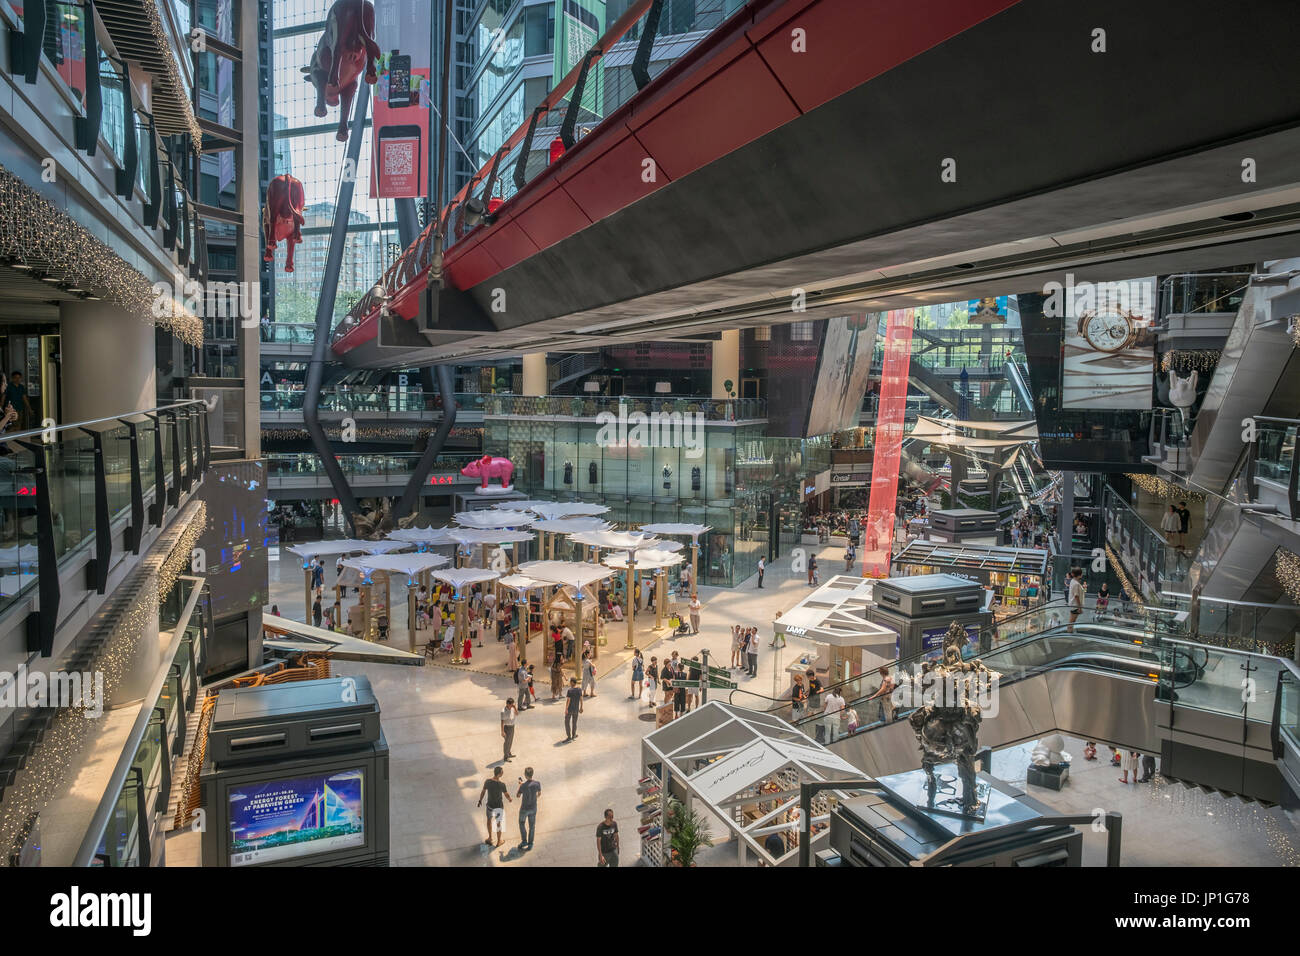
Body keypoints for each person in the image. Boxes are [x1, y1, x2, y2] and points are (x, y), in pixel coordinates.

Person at [476, 766, 511, 847]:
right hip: (498, 807)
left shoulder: (487, 781)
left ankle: (490, 838)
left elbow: (483, 791)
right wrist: (510, 799)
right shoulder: (502, 785)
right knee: (498, 824)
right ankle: (499, 841)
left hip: (489, 806)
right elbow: (506, 794)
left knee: (489, 820)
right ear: (499, 774)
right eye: (502, 772)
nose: (503, 773)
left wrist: (480, 800)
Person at [516, 767, 541, 850]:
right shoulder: (537, 783)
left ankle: (524, 841)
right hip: (533, 808)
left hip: (524, 809)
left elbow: (518, 796)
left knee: (521, 823)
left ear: (525, 775)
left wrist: (520, 785)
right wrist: (535, 797)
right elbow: (539, 794)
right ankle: (530, 843)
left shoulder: (523, 786)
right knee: (532, 826)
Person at [1067, 567, 1085, 633]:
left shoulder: (1073, 581)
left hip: (1074, 605)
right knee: (1071, 622)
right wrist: (1079, 607)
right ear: (1080, 574)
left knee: (1072, 622)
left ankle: (1070, 634)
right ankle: (1069, 635)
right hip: (1075, 606)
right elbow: (1076, 596)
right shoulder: (1076, 584)